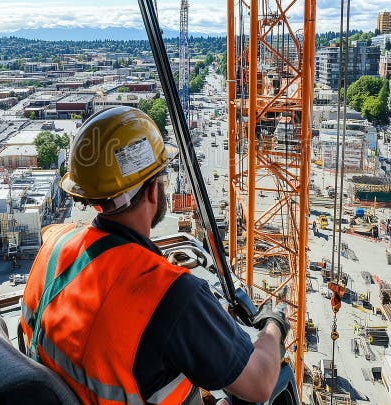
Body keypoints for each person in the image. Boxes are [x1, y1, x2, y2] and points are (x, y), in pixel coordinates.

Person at [21, 107, 288, 404]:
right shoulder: (172, 295)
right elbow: (259, 383)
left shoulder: (53, 243)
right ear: (152, 191)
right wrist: (274, 324)